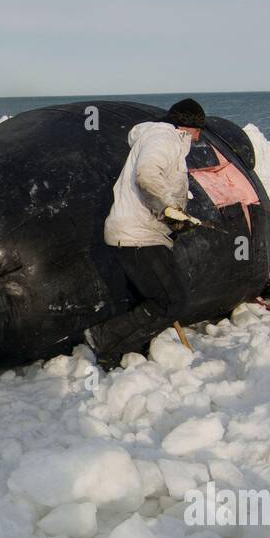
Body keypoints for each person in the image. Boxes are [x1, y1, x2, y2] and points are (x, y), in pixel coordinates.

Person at [84, 109, 198, 368]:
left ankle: (119, 353)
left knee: (151, 298)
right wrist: (171, 208)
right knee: (172, 300)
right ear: (187, 126)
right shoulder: (164, 138)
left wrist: (175, 220)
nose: (198, 139)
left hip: (141, 233)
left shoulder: (158, 138)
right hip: (137, 235)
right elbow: (147, 175)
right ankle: (104, 337)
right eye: (198, 132)